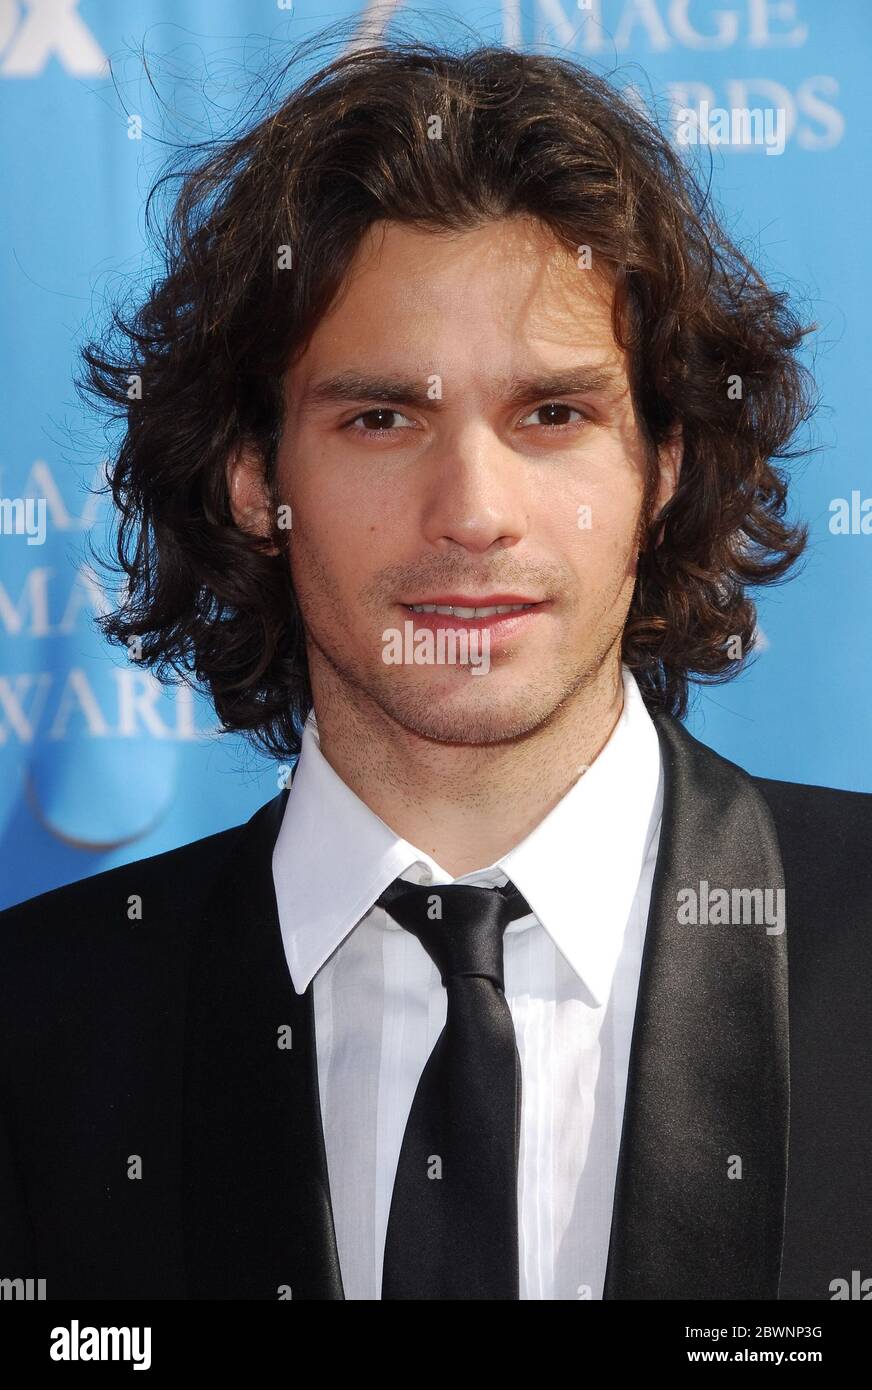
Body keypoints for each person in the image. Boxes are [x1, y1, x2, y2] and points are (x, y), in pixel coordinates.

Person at [1, 38, 870, 1303]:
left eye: (551, 416)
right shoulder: (38, 1029)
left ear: (661, 469)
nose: (472, 509)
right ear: (255, 481)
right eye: (381, 418)